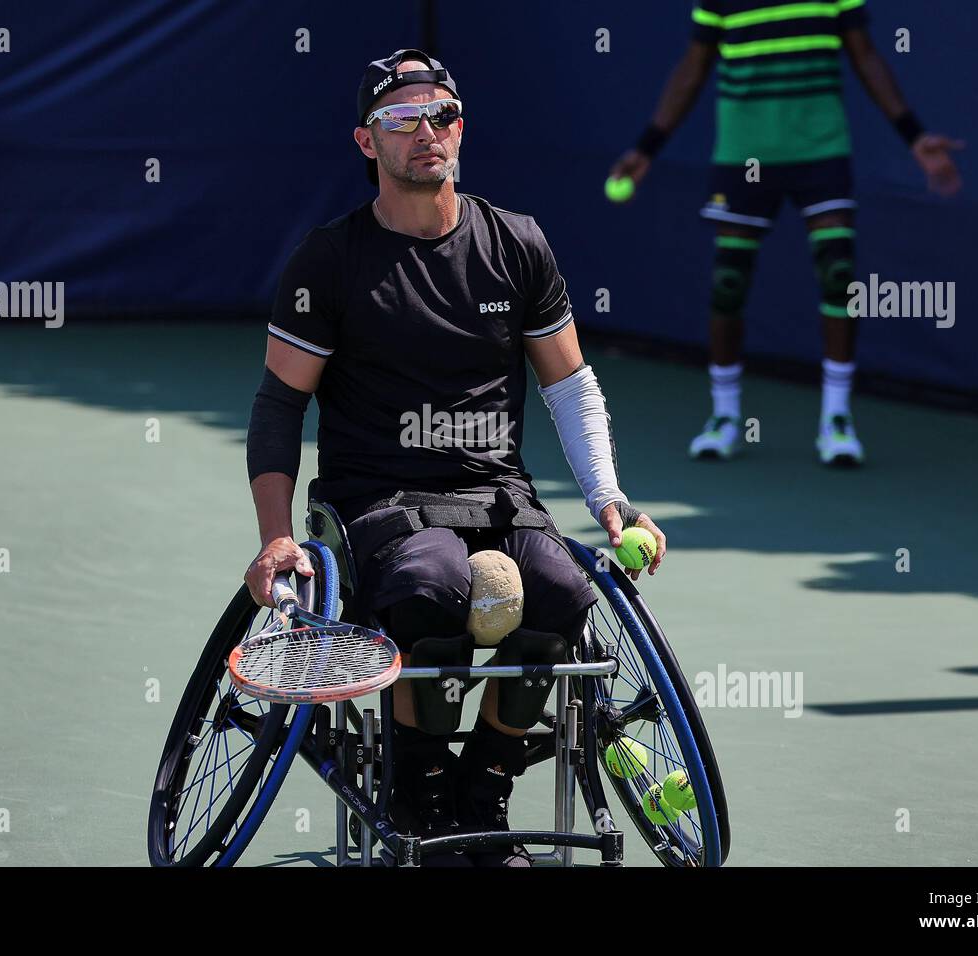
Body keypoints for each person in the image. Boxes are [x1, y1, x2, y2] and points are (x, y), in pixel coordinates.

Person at [244, 49, 666, 866]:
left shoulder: (518, 244)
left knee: (559, 590)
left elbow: (570, 387)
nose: (424, 133)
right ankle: (423, 790)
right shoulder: (328, 263)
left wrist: (609, 500)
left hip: (496, 493)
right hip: (378, 500)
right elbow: (278, 405)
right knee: (430, 584)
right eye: (400, 120)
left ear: (460, 129)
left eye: (439, 115)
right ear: (368, 143)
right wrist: (275, 535)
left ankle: (486, 784)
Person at [609, 0, 963, 465]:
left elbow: (866, 56)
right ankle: (725, 415)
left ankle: (836, 419)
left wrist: (914, 135)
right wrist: (646, 148)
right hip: (742, 155)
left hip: (821, 151)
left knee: (839, 273)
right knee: (728, 282)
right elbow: (693, 68)